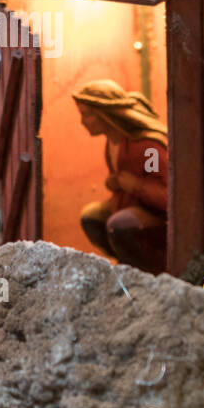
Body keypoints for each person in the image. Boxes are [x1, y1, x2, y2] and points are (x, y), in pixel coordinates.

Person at [72, 79, 169, 274]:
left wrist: (137, 186)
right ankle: (127, 262)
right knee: (91, 217)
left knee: (120, 225)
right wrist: (116, 183)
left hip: (156, 215)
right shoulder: (113, 142)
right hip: (128, 205)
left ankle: (151, 271)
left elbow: (166, 194)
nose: (83, 122)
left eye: (87, 115)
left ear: (104, 114)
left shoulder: (147, 147)